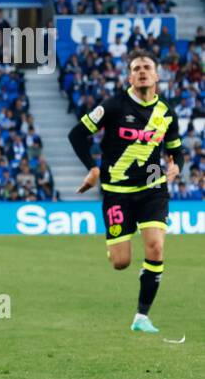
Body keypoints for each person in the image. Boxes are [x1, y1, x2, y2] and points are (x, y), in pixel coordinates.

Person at [68, 51, 182, 334]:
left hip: (153, 186)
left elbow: (176, 150)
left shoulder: (166, 113)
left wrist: (176, 166)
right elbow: (77, 134)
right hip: (116, 191)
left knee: (155, 246)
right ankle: (113, 246)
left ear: (156, 75)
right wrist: (92, 169)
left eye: (147, 67)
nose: (142, 71)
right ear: (129, 76)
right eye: (136, 68)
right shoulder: (113, 106)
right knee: (121, 262)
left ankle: (141, 317)